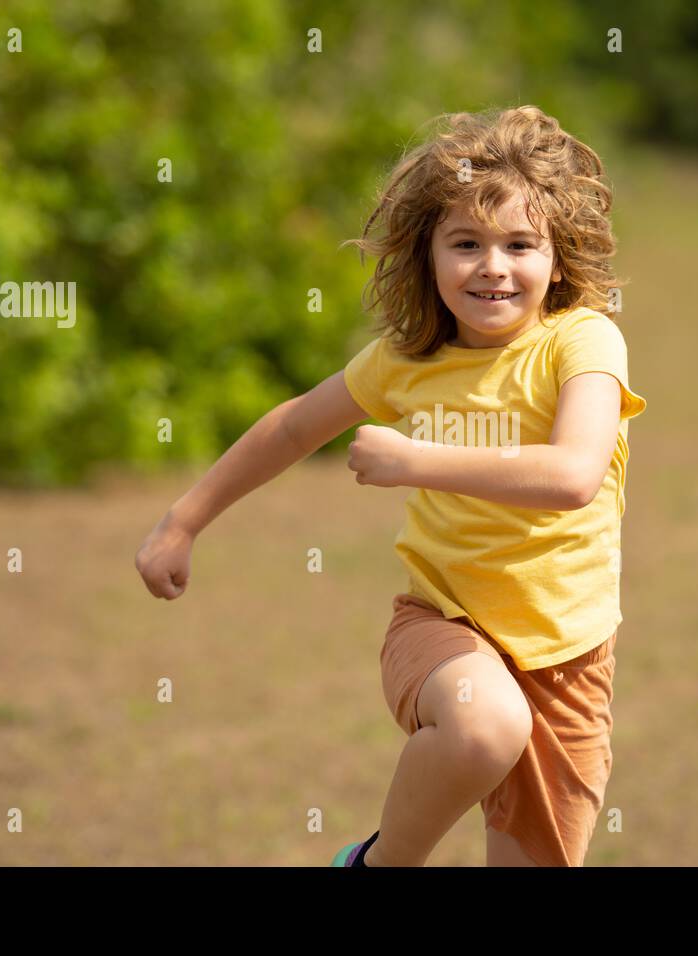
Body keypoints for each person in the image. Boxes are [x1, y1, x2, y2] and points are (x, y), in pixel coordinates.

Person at [136, 105, 646, 867]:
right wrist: (183, 521)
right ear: (428, 254)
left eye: (519, 245)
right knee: (486, 726)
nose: (493, 266)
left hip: (569, 657)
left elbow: (574, 475)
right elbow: (292, 429)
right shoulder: (407, 360)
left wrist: (416, 459)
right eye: (466, 244)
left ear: (559, 259)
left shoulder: (585, 341)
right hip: (444, 628)